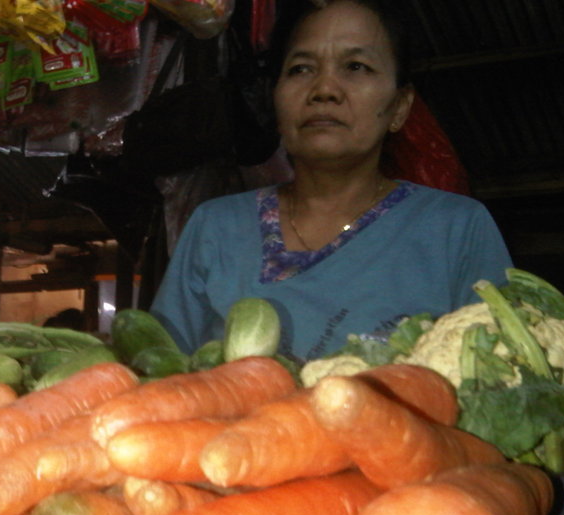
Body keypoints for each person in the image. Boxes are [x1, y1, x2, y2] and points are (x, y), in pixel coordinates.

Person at [148, 0, 513, 362]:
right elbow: (159, 374)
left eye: (356, 66)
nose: (324, 89)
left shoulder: (456, 228)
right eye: (301, 69)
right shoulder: (215, 226)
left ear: (400, 107)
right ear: (276, 99)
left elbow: (499, 377)